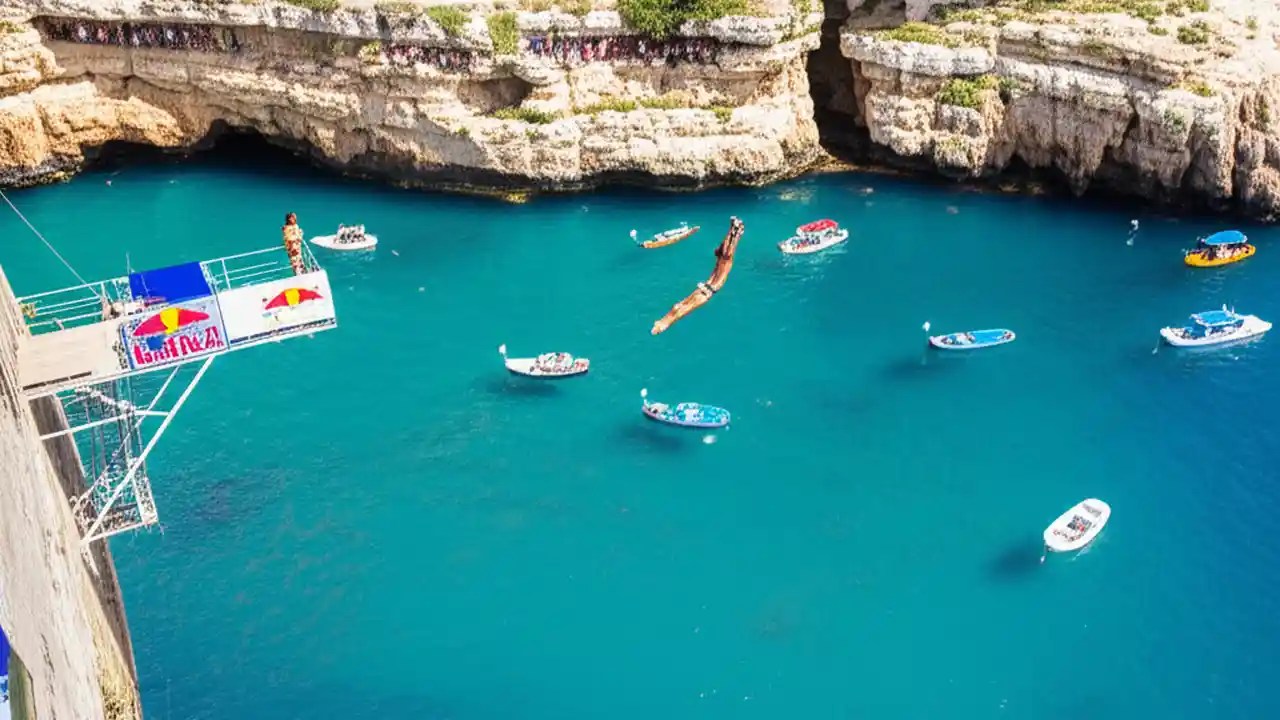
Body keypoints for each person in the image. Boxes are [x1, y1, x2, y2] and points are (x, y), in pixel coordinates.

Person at [651, 216, 745, 336]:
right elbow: (725, 249)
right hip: (707, 288)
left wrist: (733, 232)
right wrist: (731, 231)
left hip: (707, 290)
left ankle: (663, 324)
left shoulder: (726, 259)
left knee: (679, 308)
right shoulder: (723, 258)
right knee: (678, 307)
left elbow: (728, 250)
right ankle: (663, 323)